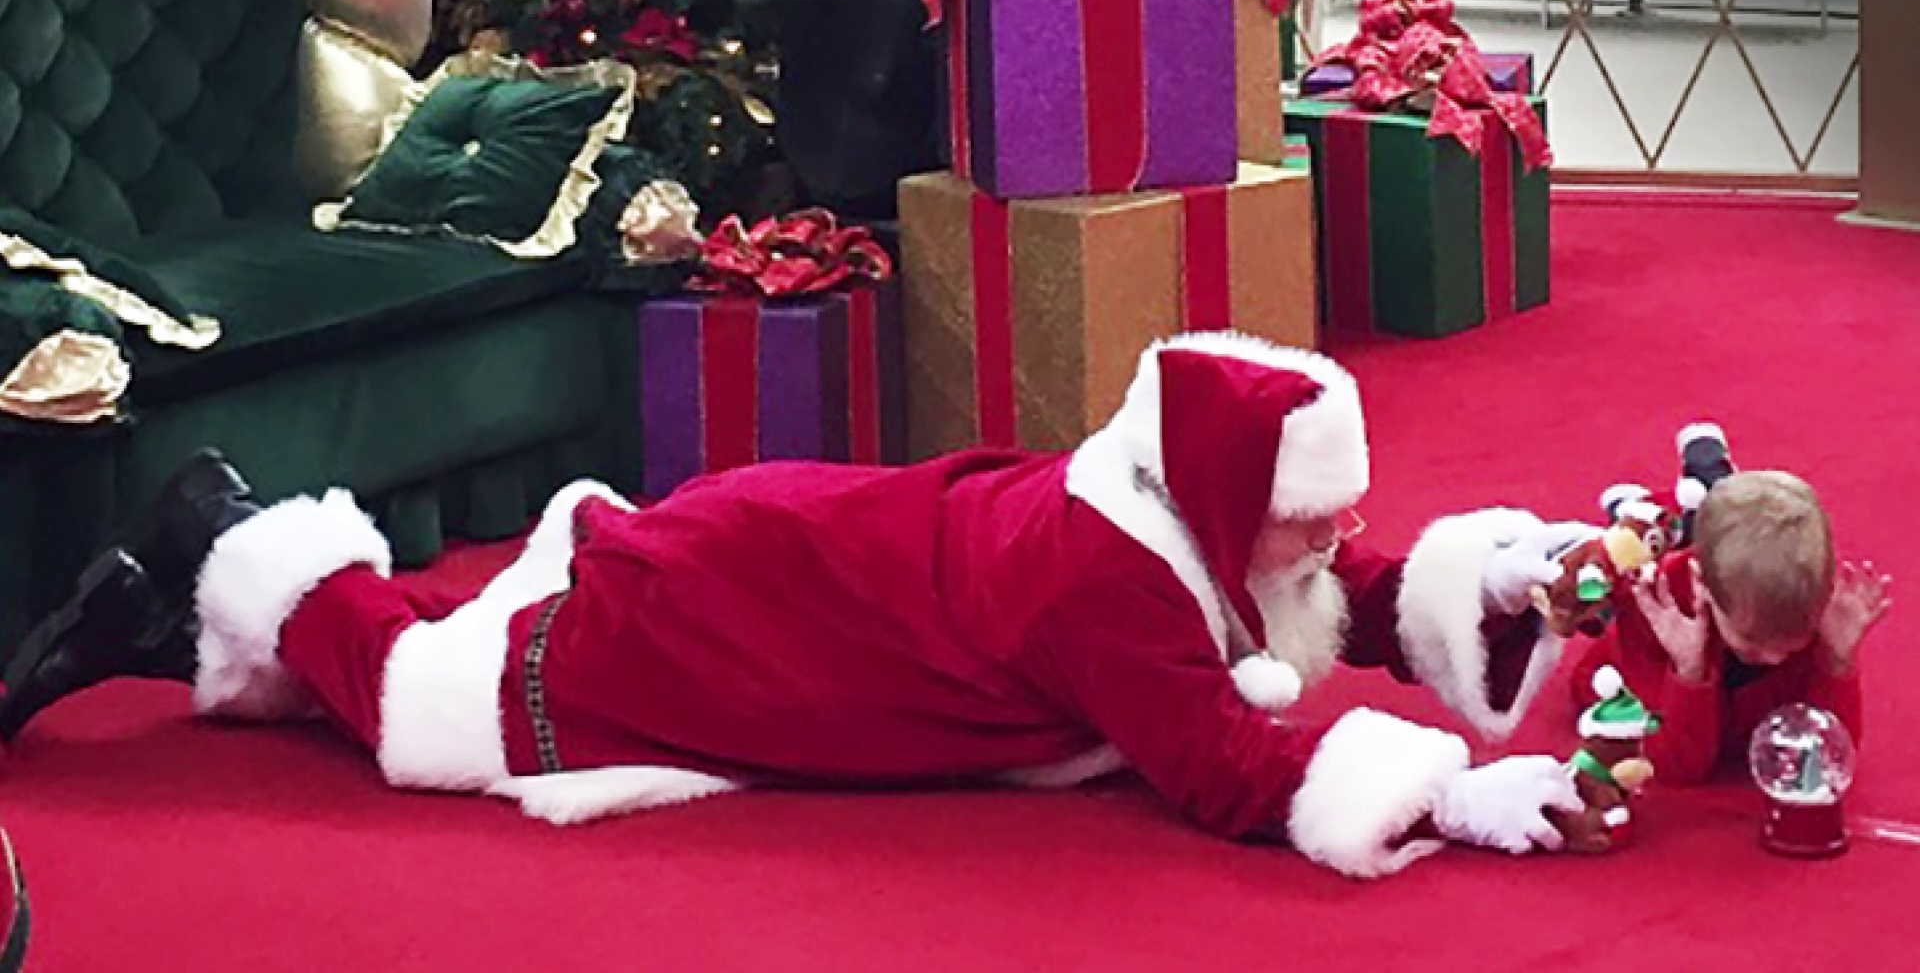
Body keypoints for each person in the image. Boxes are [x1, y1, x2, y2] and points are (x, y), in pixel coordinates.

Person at [1, 332, 1596, 879]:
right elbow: (1227, 767)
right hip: (748, 612)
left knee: (470, 673)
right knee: (442, 710)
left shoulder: (1188, 498)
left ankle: (179, 619)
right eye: (1316, 521)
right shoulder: (1114, 586)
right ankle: (249, 549)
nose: (1341, 541)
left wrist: (1488, 586)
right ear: (1243, 501)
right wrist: (1450, 788)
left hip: (810, 546)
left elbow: (1311, 594)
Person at [1574, 433, 1891, 786]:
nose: (1773, 658)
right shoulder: (1654, 610)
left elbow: (1828, 757)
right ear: (1702, 587)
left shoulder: (1804, 601)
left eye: (1792, 643)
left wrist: (1837, 660)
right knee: (1632, 550)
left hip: (1741, 708)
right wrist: (1689, 671)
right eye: (1752, 641)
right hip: (1617, 681)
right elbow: (1678, 768)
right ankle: (1639, 513)